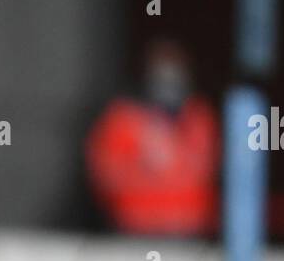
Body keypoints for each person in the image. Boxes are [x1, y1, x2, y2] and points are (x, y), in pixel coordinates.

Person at [85, 39, 219, 236]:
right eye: (161, 77)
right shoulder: (122, 120)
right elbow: (104, 174)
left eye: (175, 76)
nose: (169, 85)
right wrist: (145, 170)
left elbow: (205, 169)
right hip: (134, 229)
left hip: (186, 231)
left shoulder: (198, 119)